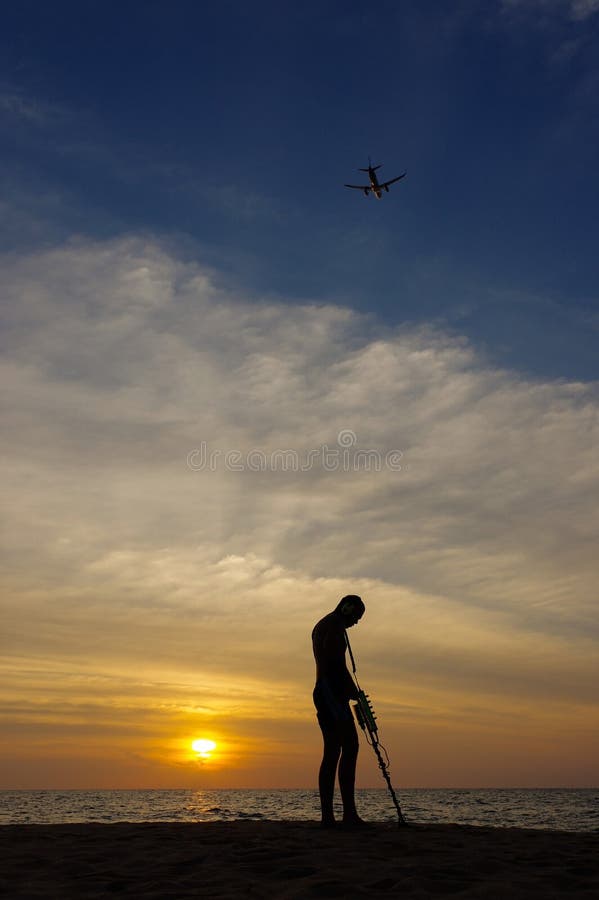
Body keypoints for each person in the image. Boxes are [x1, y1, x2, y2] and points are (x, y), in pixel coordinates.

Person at [312, 594, 366, 828]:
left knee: (332, 751)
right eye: (356, 617)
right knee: (351, 746)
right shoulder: (333, 626)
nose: (356, 623)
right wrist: (353, 691)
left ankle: (328, 817)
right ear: (347, 608)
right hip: (331, 694)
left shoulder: (322, 624)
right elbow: (336, 663)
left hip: (324, 692)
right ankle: (349, 814)